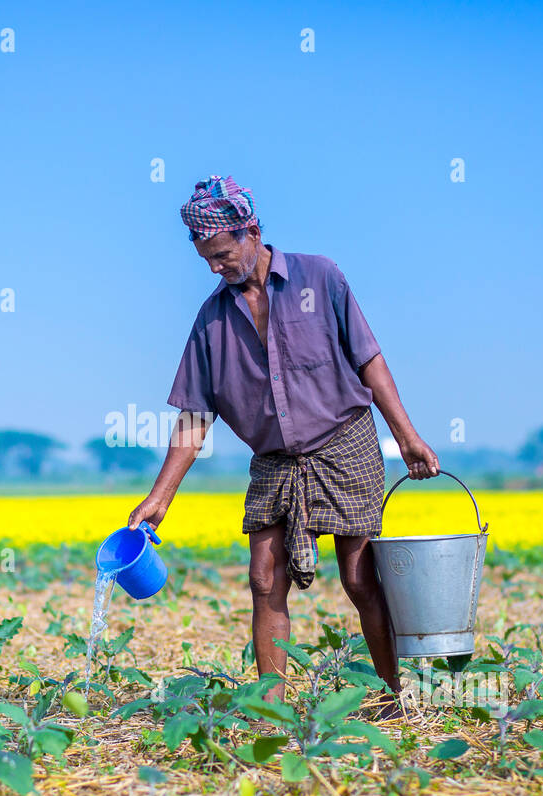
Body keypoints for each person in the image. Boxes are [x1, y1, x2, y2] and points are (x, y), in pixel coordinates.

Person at [127, 175, 440, 713]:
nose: (215, 267)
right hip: (274, 460)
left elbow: (370, 360)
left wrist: (407, 438)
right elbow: (194, 415)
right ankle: (272, 709)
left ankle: (394, 695)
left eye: (222, 254)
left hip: (345, 443)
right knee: (263, 577)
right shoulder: (212, 320)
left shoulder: (321, 276)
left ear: (251, 232)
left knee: (359, 577)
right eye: (206, 259)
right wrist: (159, 499)